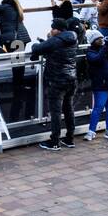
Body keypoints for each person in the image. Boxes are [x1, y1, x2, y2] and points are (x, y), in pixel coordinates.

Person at [31, 17, 80, 151]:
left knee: (56, 111)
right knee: (68, 109)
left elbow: (37, 48)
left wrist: (39, 44)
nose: (51, 31)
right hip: (71, 79)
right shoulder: (73, 38)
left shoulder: (56, 40)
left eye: (53, 28)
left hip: (57, 80)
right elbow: (56, 51)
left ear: (57, 30)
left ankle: (54, 141)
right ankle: (69, 138)